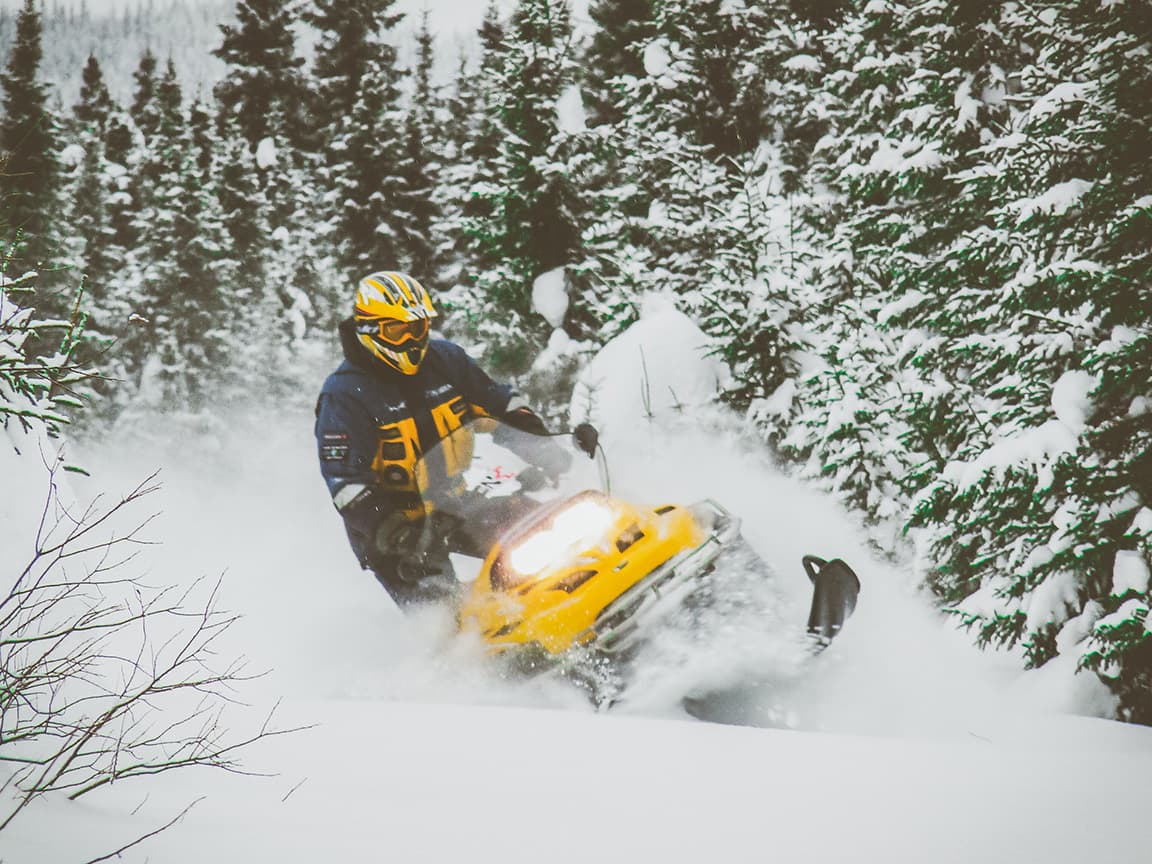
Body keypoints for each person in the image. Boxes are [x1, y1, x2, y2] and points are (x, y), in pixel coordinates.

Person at [315, 270, 551, 609]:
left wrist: (544, 444)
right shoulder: (345, 395)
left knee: (541, 529)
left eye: (418, 328)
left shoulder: (445, 361)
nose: (412, 341)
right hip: (394, 533)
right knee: (446, 617)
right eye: (397, 331)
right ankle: (458, 659)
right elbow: (347, 484)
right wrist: (394, 529)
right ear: (368, 331)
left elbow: (498, 406)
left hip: (454, 505)